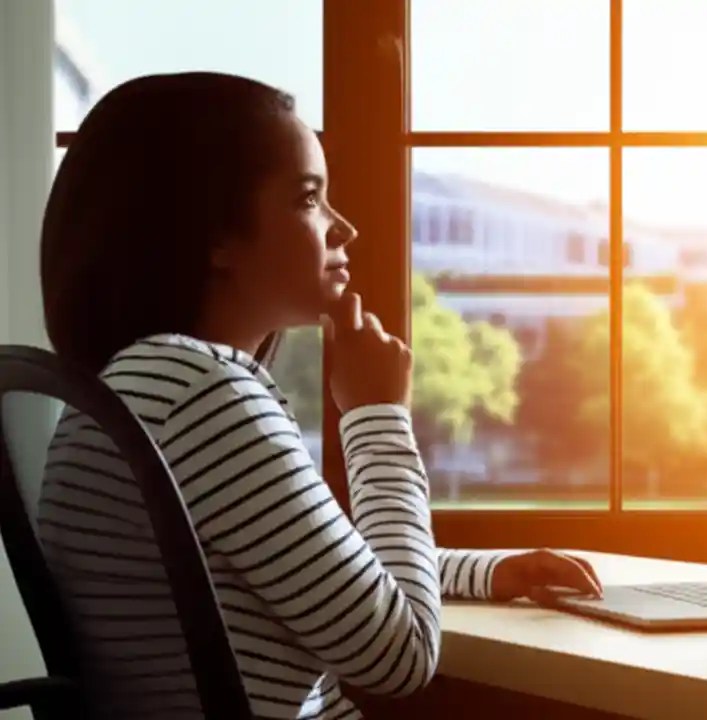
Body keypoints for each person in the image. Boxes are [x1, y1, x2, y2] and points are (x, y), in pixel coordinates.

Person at [37, 71, 601, 719]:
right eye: (309, 199)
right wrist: (377, 414)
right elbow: (401, 657)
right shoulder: (203, 393)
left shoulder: (141, 385)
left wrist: (485, 572)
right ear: (213, 232)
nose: (345, 229)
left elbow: (309, 565)